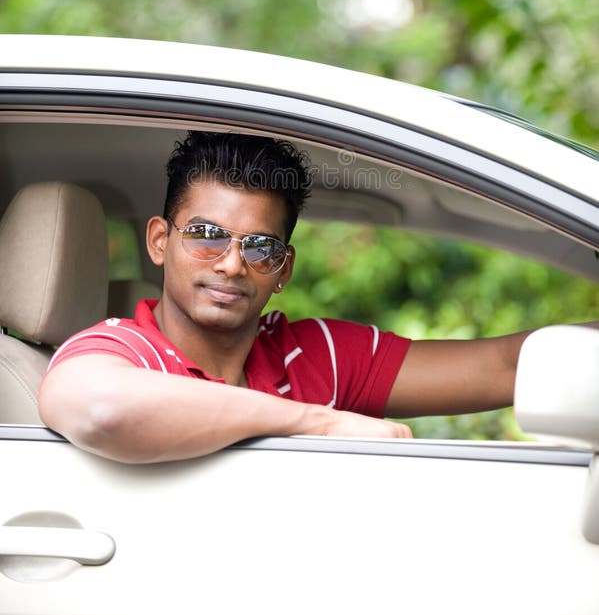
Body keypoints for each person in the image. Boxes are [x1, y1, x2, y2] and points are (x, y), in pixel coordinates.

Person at [37, 131, 594, 463]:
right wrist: (320, 423)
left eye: (260, 247)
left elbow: (508, 365)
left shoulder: (313, 355)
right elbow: (102, 411)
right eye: (207, 236)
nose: (231, 264)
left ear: (283, 269)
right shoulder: (119, 350)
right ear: (161, 242)